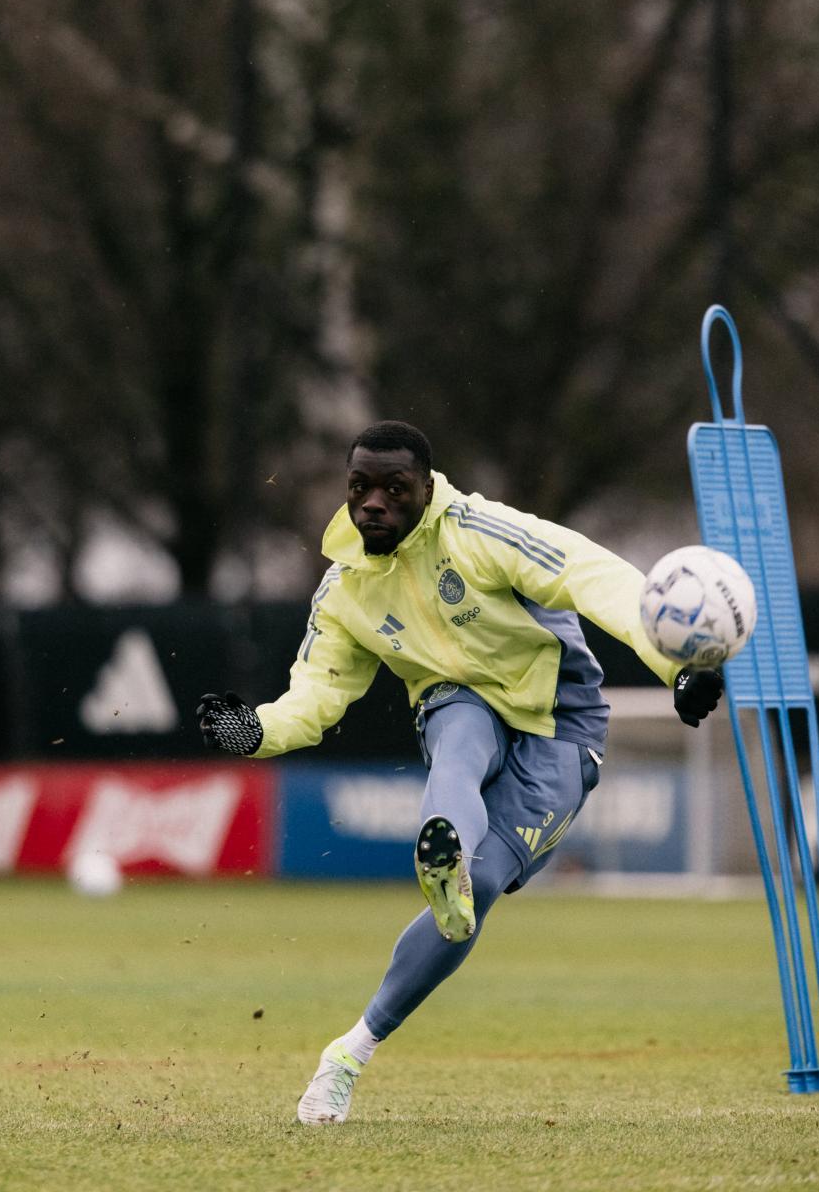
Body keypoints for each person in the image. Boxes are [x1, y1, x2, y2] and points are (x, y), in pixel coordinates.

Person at [196, 420, 723, 1124]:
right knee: (460, 735)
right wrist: (256, 731)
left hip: (560, 728)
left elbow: (590, 574)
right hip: (457, 700)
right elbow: (316, 695)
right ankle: (441, 838)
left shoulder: (484, 532)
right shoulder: (345, 586)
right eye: (360, 488)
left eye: (393, 489)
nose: (372, 504)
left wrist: (675, 666)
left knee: (473, 894)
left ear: (427, 491)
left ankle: (348, 1049)